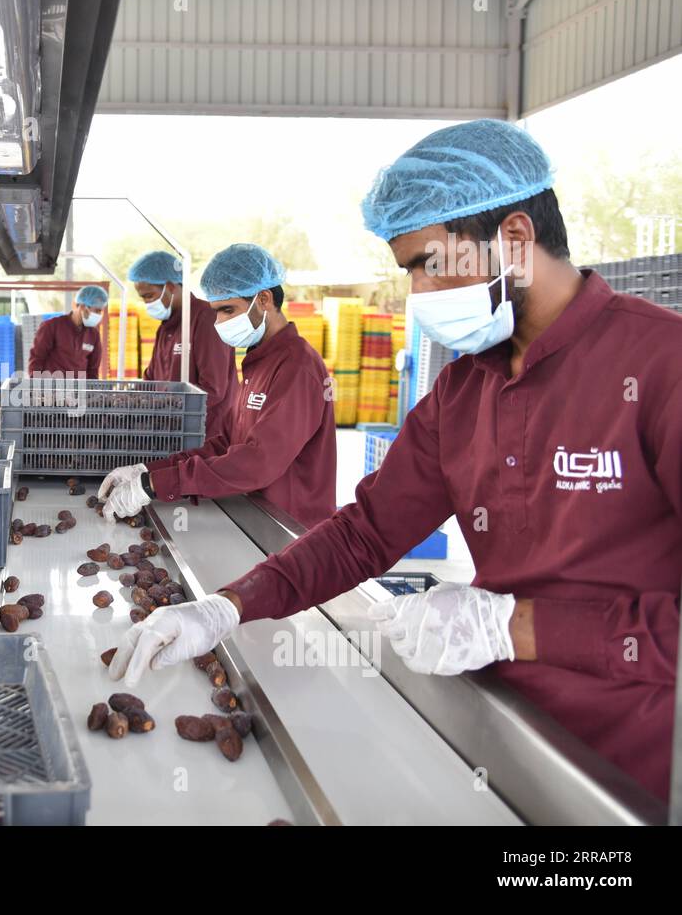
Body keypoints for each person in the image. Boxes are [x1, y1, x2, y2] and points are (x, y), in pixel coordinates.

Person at [106, 119, 681, 802]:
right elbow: (364, 532)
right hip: (501, 744)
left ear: (517, 240)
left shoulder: (659, 366)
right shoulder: (463, 392)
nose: (417, 295)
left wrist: (514, 623)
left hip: (634, 774)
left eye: (428, 265)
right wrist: (226, 607)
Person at [98, 244, 335, 529]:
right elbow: (227, 444)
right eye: (217, 311)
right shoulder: (258, 362)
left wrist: (152, 485)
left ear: (263, 299)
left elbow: (259, 461)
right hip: (256, 515)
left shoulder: (297, 367)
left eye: (227, 310)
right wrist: (149, 471)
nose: (219, 322)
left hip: (290, 526)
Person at [129, 250, 237, 441]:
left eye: (149, 296)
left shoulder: (206, 319)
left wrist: (162, 405)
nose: (146, 303)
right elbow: (152, 380)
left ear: (170, 286)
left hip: (205, 436)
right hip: (171, 432)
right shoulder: (166, 328)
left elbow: (212, 390)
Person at [27, 285, 107, 378]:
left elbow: (93, 369)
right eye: (96, 311)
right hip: (51, 389)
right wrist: (36, 385)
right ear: (82, 306)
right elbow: (37, 358)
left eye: (100, 311)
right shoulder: (52, 326)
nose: (98, 315)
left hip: (78, 390)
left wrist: (91, 391)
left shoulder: (93, 335)